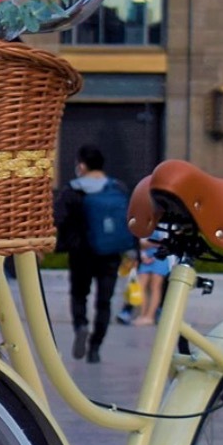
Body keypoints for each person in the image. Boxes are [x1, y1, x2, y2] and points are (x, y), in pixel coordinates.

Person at [56, 143, 130, 362]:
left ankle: (81, 325)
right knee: (104, 301)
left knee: (79, 294)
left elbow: (57, 218)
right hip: (110, 253)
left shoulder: (72, 190)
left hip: (81, 253)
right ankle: (95, 347)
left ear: (81, 165)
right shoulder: (118, 188)